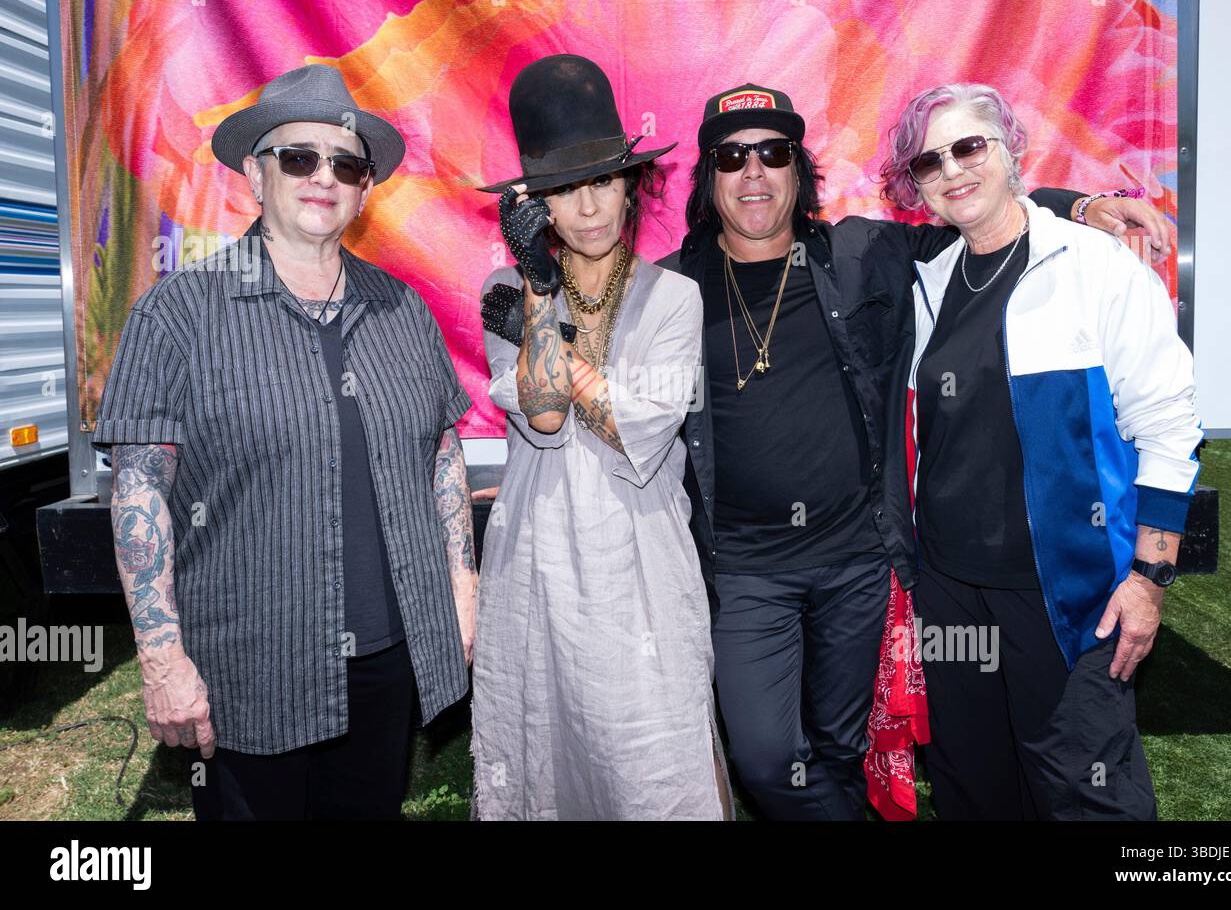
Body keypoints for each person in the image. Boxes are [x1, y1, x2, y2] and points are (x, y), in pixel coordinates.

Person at [656, 82, 1174, 820]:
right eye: (732, 156)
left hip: (859, 564)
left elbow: (990, 216)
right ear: (708, 178)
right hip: (744, 571)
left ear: (798, 169)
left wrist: (1083, 206)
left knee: (845, 747)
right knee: (768, 758)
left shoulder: (862, 253)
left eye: (773, 152)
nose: (754, 173)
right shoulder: (673, 290)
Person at [94, 64, 477, 820]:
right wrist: (163, 658)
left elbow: (441, 454)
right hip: (249, 666)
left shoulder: (403, 310)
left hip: (385, 662)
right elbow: (140, 493)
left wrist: (463, 588)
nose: (322, 177)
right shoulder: (178, 316)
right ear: (253, 173)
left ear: (366, 189)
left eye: (345, 163)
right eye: (298, 156)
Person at [879, 82, 1200, 819]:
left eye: (969, 146)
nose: (954, 170)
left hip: (1070, 596)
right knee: (971, 788)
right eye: (931, 162)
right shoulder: (926, 279)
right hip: (951, 594)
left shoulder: (1097, 267)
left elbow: (1169, 428)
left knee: (1085, 792)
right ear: (916, 185)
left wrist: (1150, 579)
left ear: (1009, 148)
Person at [472, 55, 731, 819]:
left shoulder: (675, 297)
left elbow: (628, 425)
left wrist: (542, 330)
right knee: (544, 757)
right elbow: (547, 415)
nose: (586, 208)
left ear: (631, 186)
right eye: (561, 190)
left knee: (653, 761)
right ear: (534, 207)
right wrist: (538, 287)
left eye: (601, 183)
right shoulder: (504, 292)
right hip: (537, 566)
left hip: (640, 565)